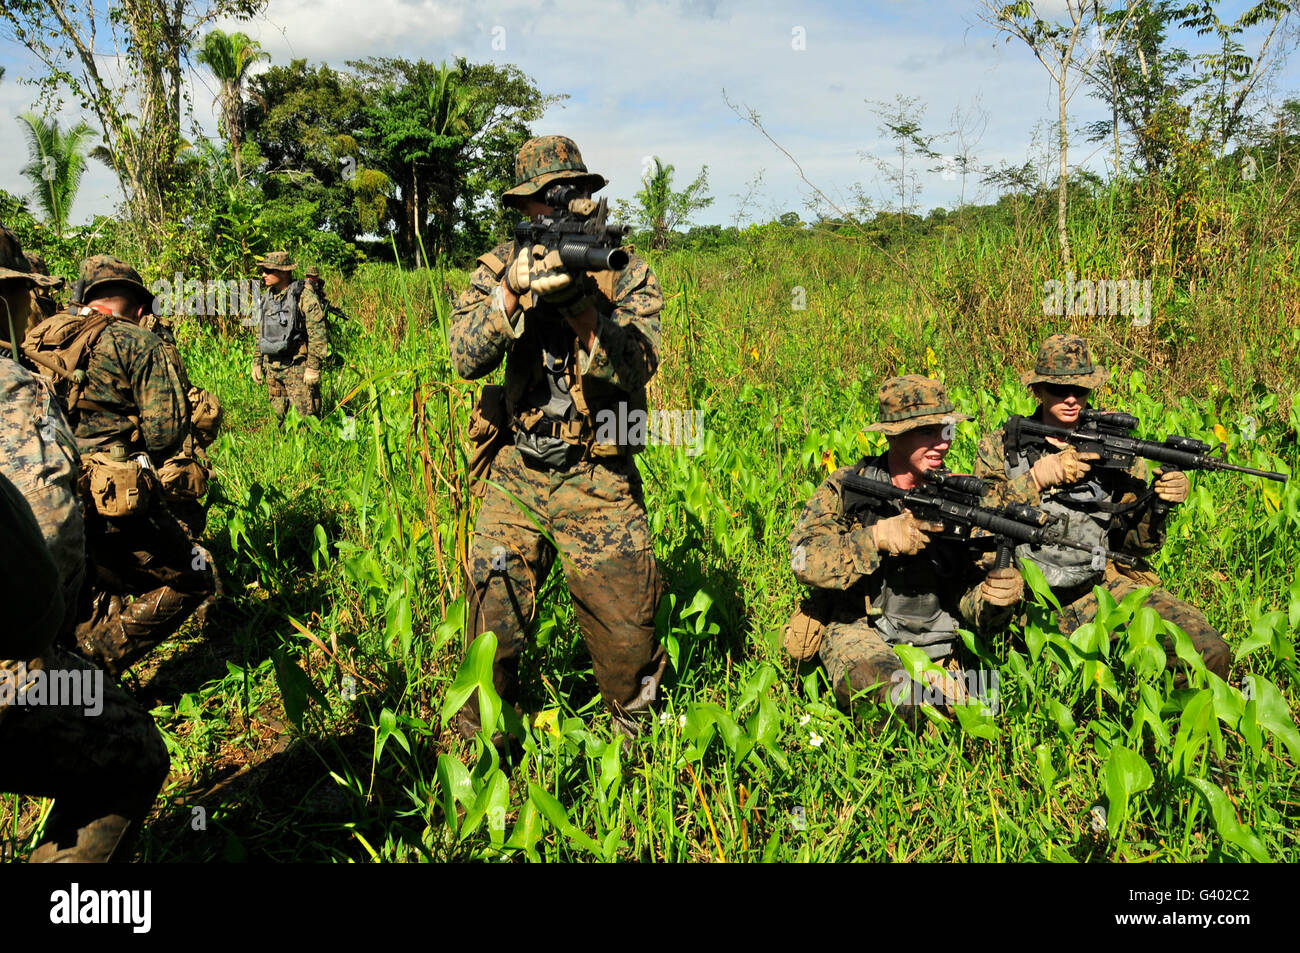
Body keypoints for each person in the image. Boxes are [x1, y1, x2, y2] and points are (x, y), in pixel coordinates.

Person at [450, 135, 666, 746]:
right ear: (526, 212)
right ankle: (484, 743)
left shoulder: (623, 270)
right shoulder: (499, 265)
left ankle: (633, 767)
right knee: (491, 614)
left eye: (568, 196)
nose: (557, 208)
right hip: (516, 465)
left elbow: (634, 369)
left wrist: (579, 307)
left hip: (596, 469)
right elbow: (465, 358)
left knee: (627, 636)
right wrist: (511, 295)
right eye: (541, 202)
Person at [973, 333, 1230, 681]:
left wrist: (1160, 501)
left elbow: (1136, 547)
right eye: (1056, 389)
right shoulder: (1003, 446)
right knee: (1048, 682)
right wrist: (1034, 480)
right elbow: (976, 523)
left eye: (1079, 390)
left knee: (1206, 649)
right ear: (1037, 390)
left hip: (1100, 588)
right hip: (1028, 601)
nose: (1070, 399)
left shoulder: (1112, 445)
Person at [23, 255, 216, 677]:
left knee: (98, 574)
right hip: (115, 496)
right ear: (140, 304)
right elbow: (165, 434)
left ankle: (74, 668)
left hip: (47, 495)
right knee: (197, 574)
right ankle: (93, 663)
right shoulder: (137, 342)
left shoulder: (40, 339)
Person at [787, 375, 1024, 718]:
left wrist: (995, 599)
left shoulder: (960, 499)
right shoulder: (849, 487)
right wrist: (875, 539)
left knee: (998, 707)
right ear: (892, 434)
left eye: (946, 430)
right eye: (927, 432)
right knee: (892, 698)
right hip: (862, 632)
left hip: (938, 640)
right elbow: (800, 559)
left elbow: (972, 602)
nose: (942, 443)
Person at [251, 251, 326, 421]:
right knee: (281, 417)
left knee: (306, 420)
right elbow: (260, 331)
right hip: (272, 367)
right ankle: (284, 447)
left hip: (297, 366)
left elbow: (317, 332)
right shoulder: (266, 298)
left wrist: (313, 367)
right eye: (264, 270)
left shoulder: (303, 296)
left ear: (284, 272)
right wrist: (257, 362)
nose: (264, 274)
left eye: (269, 270)